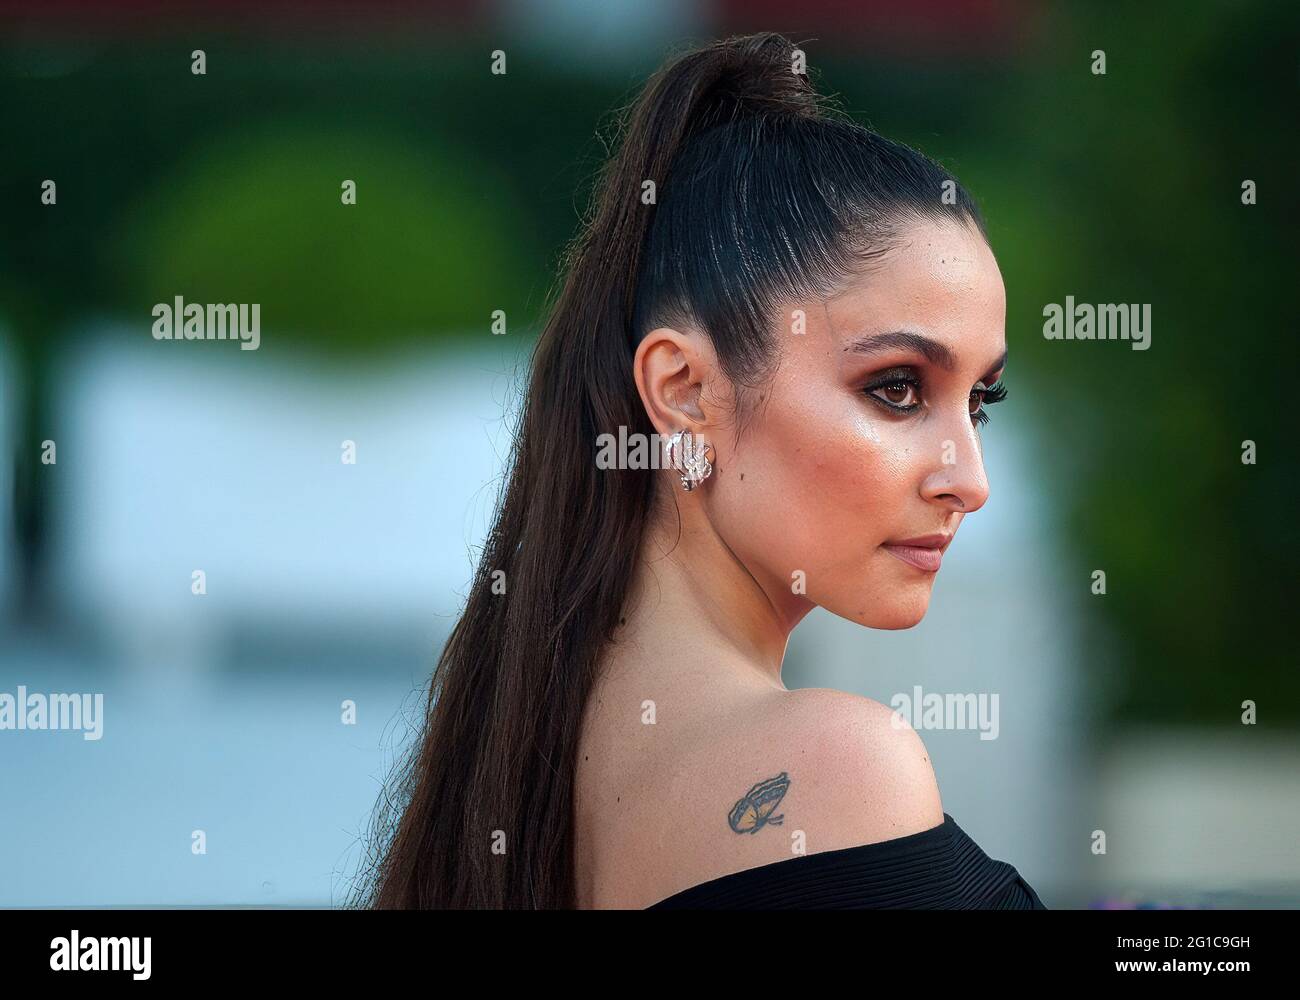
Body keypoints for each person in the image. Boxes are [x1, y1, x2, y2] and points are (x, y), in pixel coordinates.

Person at [356, 30, 1045, 910]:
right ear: (683, 393)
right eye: (898, 389)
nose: (970, 479)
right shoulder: (838, 769)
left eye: (981, 401)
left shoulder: (511, 772)